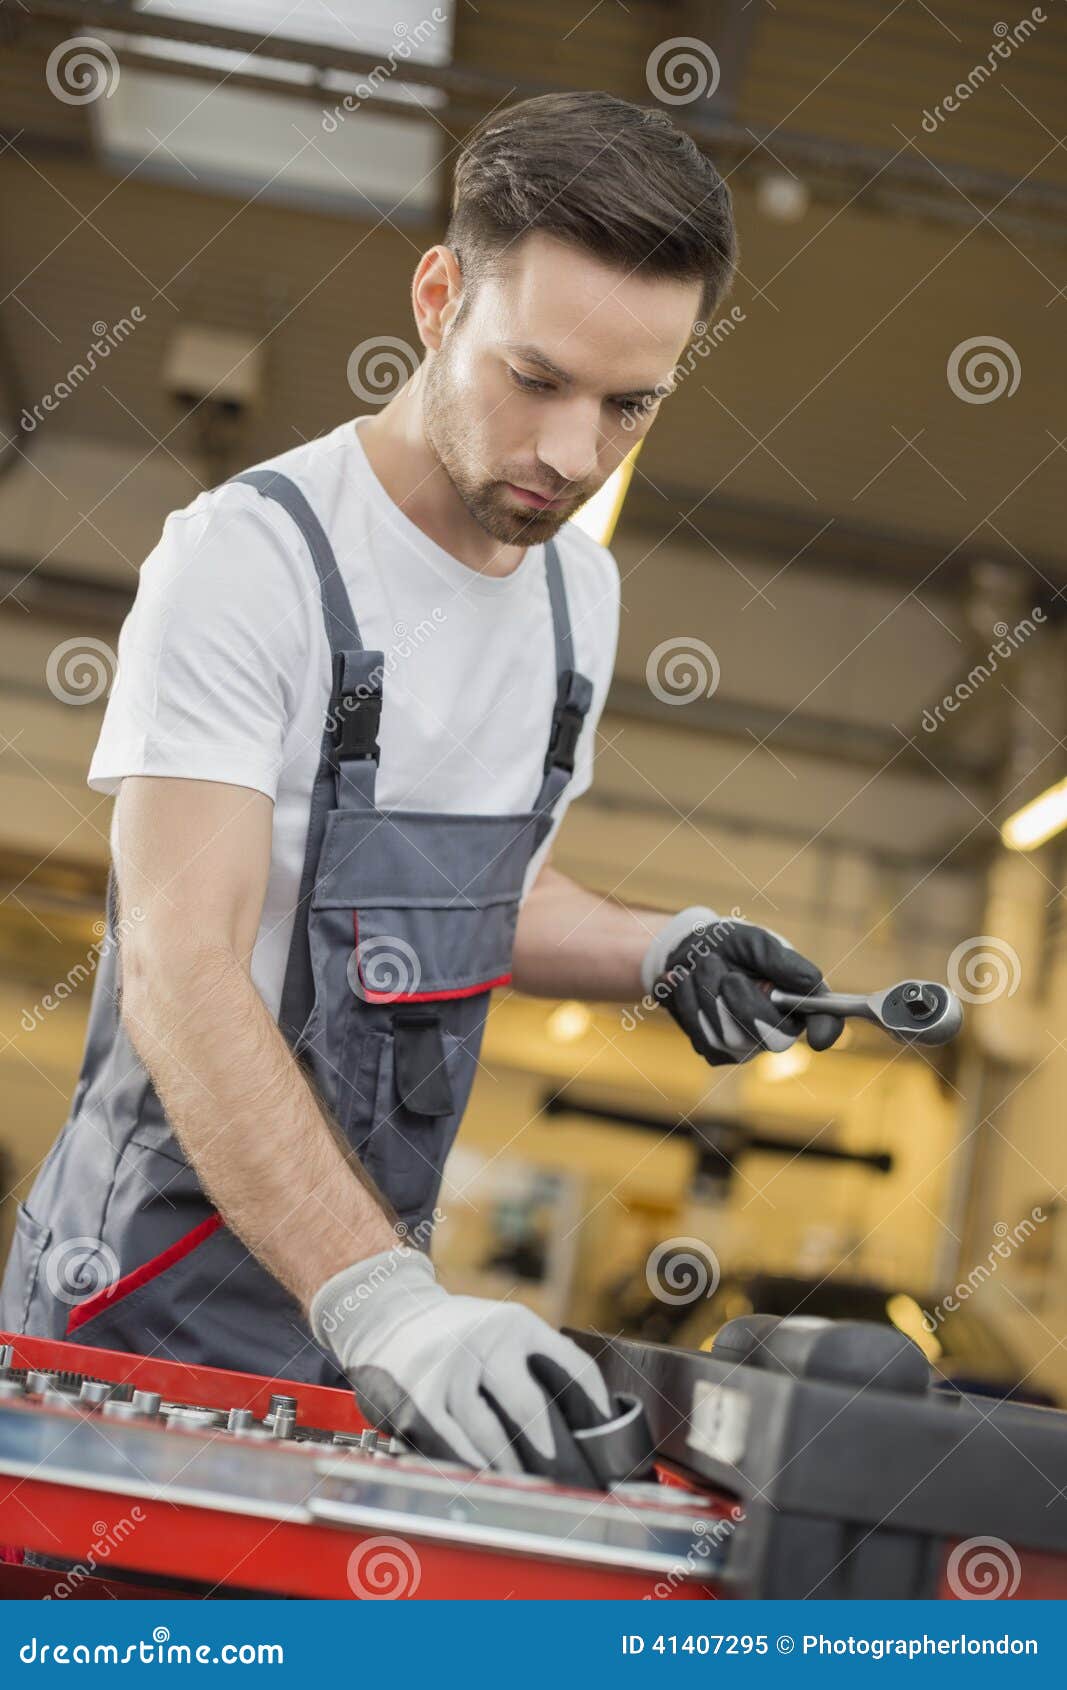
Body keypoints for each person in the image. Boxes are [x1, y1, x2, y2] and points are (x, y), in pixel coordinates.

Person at [0, 91, 841, 1483]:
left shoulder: (581, 591)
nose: (574, 454)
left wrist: (660, 942)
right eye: (537, 377)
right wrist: (385, 1293)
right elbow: (178, 963)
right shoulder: (249, 562)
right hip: (137, 1307)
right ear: (439, 294)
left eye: (630, 404)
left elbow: (462, 903)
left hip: (362, 1321)